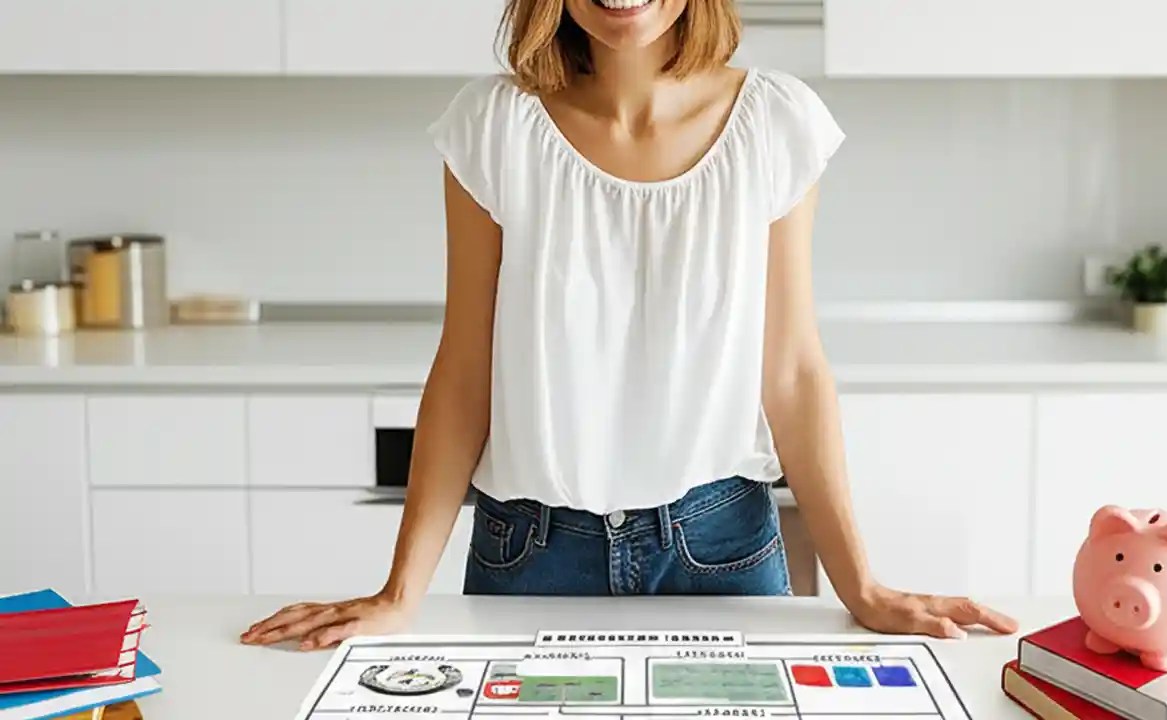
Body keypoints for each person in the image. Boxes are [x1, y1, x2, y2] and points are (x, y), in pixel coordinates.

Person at [240, 0, 1018, 651]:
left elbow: (791, 372)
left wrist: (864, 587)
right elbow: (465, 371)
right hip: (530, 553)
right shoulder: (493, 127)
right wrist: (400, 591)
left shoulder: (776, 122)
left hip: (724, 546)